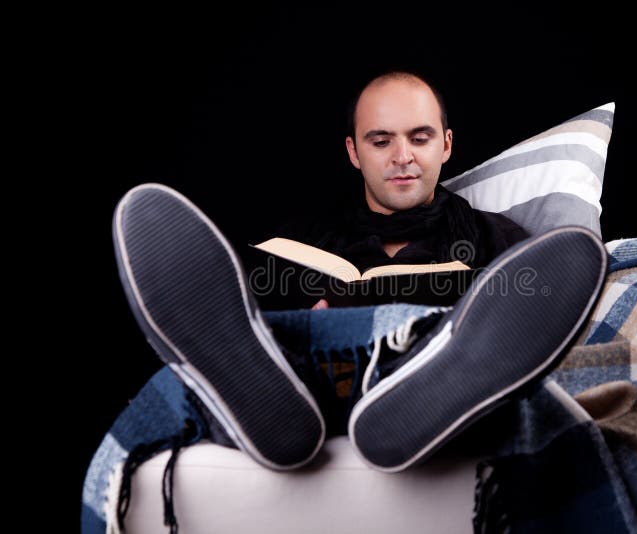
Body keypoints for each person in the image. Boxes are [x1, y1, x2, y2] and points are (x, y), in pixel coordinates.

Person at [112, 71, 607, 475]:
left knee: (489, 350)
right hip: (314, 381)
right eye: (381, 141)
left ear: (447, 145)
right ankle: (281, 398)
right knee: (266, 335)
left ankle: (428, 386)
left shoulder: (499, 239)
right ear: (354, 152)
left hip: (442, 375)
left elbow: (542, 325)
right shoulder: (295, 241)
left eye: (420, 137)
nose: (402, 157)